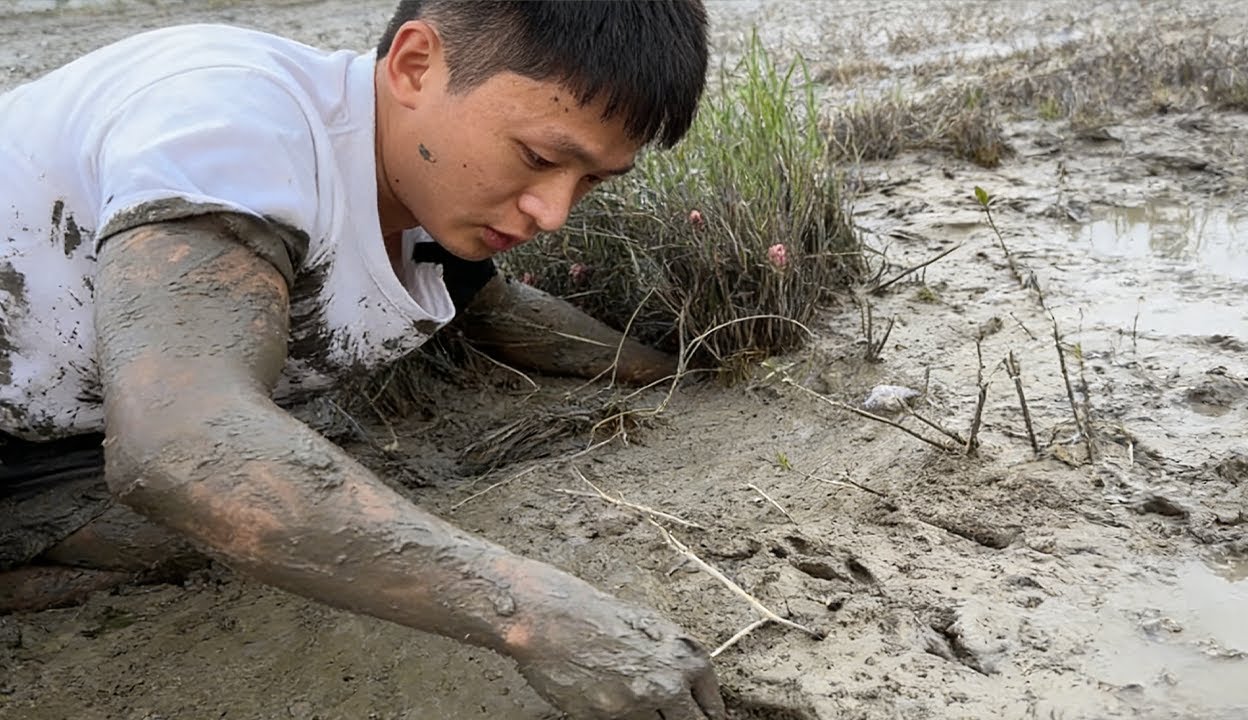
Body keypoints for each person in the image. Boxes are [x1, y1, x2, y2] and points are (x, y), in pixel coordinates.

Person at [0, 1, 724, 718]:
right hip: (85, 430)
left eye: (592, 180)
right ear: (415, 65)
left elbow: (500, 314)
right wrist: (540, 618)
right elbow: (180, 443)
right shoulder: (232, 129)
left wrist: (675, 371)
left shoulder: (429, 197)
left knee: (331, 497)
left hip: (63, 437)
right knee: (257, 506)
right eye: (539, 157)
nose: (554, 211)